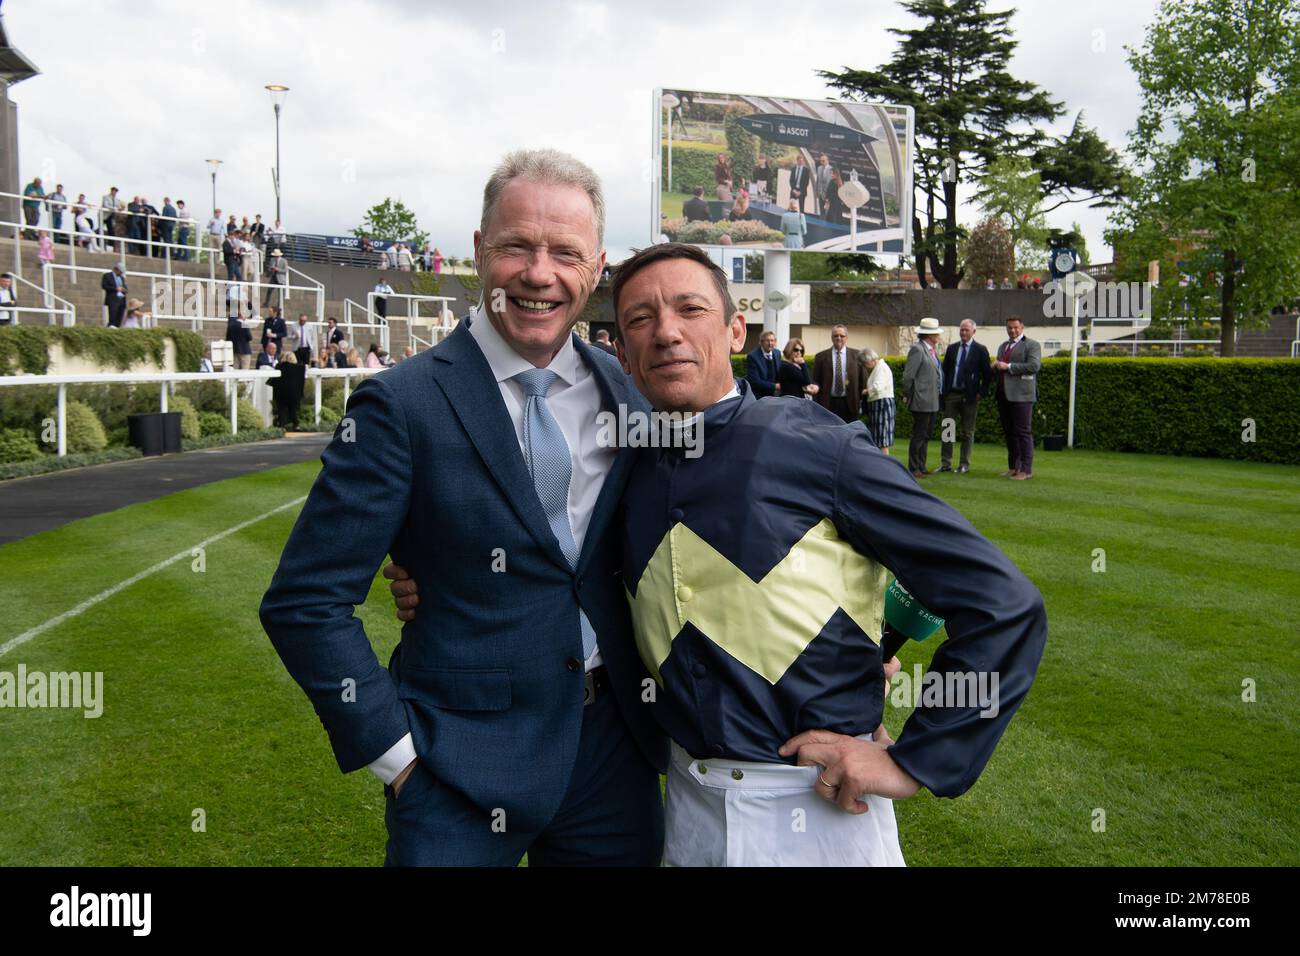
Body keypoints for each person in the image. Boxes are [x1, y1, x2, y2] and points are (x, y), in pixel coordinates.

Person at [391, 243, 1049, 867]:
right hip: (684, 808)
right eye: (640, 319)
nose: (666, 332)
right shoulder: (625, 467)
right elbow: (558, 566)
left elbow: (1003, 604)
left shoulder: (820, 445)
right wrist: (435, 577)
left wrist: (915, 759)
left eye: (690, 309)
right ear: (620, 351)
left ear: (737, 332)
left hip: (818, 808)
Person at [259, 147, 666, 867]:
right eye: (517, 246)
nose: (540, 273)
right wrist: (395, 756)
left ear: (596, 268)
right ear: (479, 252)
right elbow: (306, 600)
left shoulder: (625, 392)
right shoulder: (401, 404)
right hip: (453, 767)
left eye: (565, 252)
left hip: (611, 759)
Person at [938, 319, 993, 474]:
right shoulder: (952, 349)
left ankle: (964, 464)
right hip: (952, 395)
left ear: (973, 332)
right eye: (961, 330)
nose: (963, 333)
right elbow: (945, 371)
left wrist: (981, 393)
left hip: (970, 397)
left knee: (967, 432)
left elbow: (988, 375)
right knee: (948, 429)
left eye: (966, 330)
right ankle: (946, 463)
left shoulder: (980, 350)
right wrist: (944, 392)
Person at [994, 316, 1041, 480]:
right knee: (1010, 433)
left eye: (1015, 327)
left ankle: (1026, 470)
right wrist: (996, 365)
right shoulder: (1003, 346)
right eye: (1009, 328)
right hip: (1003, 395)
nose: (1012, 330)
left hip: (1022, 396)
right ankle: (1014, 467)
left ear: (1022, 328)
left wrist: (1008, 366)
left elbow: (1034, 366)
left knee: (1023, 433)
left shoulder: (1032, 345)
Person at [902, 317, 943, 478]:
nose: (938, 336)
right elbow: (908, 377)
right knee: (919, 435)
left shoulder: (931, 351)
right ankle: (914, 467)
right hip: (921, 401)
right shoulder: (918, 350)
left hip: (932, 401)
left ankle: (921, 465)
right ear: (929, 335)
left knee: (926, 435)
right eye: (936, 334)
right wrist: (909, 395)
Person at [812, 325, 863, 423]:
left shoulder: (857, 355)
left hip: (850, 403)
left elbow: (862, 381)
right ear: (832, 338)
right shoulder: (820, 357)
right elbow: (815, 380)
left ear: (846, 338)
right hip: (828, 403)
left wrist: (860, 401)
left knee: (848, 433)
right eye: (836, 336)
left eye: (842, 336)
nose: (839, 338)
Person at [861, 349, 895, 455]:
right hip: (878, 404)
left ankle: (885, 466)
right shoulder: (878, 368)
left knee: (882, 438)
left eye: (865, 363)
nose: (865, 366)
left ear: (869, 360)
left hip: (882, 404)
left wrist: (866, 391)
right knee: (878, 437)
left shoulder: (881, 368)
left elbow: (878, 386)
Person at [271, 351, 305, 429]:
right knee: (293, 409)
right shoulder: (300, 368)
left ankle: (282, 426)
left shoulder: (279, 366)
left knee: (281, 409)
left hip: (282, 392)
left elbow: (275, 380)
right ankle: (296, 425)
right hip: (295, 393)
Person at [745, 329, 782, 398]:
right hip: (759, 395)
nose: (770, 343)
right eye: (767, 340)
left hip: (775, 394)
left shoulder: (777, 353)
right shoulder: (752, 356)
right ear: (761, 342)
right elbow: (754, 381)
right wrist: (775, 386)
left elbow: (779, 373)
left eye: (772, 340)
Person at [815, 154, 833, 218]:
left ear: (827, 161)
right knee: (821, 211)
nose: (822, 162)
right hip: (820, 193)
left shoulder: (831, 169)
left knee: (827, 212)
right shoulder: (819, 168)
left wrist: (827, 195)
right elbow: (818, 181)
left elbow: (829, 183)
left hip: (827, 195)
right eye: (821, 161)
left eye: (823, 161)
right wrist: (817, 192)